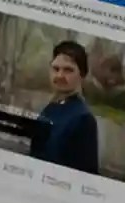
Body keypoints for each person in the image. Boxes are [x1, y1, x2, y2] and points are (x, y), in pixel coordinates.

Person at [30, 40, 100, 175]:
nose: (59, 75)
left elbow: (87, 175)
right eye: (56, 69)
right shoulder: (51, 108)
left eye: (68, 70)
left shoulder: (84, 119)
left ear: (82, 74)